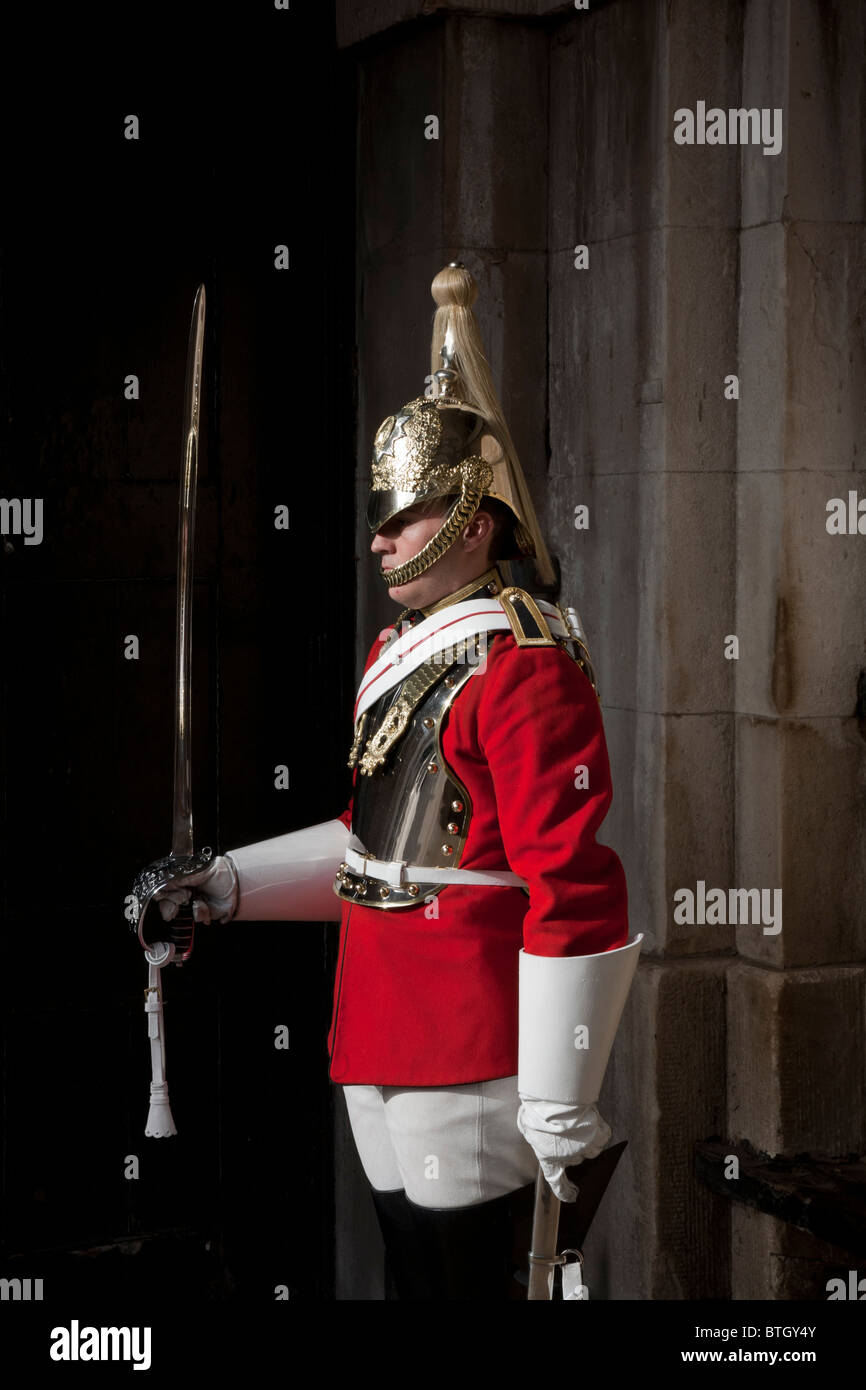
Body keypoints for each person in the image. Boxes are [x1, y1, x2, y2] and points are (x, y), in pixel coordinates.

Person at [152, 263, 641, 1300]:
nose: (376, 536)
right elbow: (378, 848)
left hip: (466, 1046)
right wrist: (224, 882)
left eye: (402, 517)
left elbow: (576, 884)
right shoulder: (403, 650)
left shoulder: (524, 663)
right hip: (371, 1031)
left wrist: (561, 1095)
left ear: (472, 522)